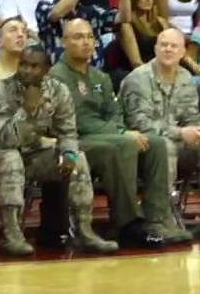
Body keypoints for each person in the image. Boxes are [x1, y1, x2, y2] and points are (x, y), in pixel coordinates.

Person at [0, 45, 118, 256]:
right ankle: (12, 234)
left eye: (34, 66)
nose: (27, 70)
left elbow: (68, 132)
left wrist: (69, 154)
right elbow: (7, 139)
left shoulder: (58, 90)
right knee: (11, 158)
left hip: (34, 151)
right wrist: (27, 109)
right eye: (24, 65)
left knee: (77, 157)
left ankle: (84, 229)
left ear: (47, 69)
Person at [121, 28, 200, 242]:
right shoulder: (139, 79)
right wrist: (181, 133)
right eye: (163, 45)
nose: (168, 49)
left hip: (175, 141)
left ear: (183, 52)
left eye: (174, 46)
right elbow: (139, 123)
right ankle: (159, 219)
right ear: (155, 49)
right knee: (165, 146)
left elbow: (191, 115)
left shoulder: (185, 77)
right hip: (143, 147)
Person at [54, 18, 166, 248]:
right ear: (64, 42)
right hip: (76, 139)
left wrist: (122, 130)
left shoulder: (99, 76)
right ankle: (126, 223)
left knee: (156, 143)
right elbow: (78, 121)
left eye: (89, 37)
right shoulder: (58, 77)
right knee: (123, 144)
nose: (85, 42)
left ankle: (156, 219)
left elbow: (114, 112)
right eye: (77, 37)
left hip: (107, 135)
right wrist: (122, 134)